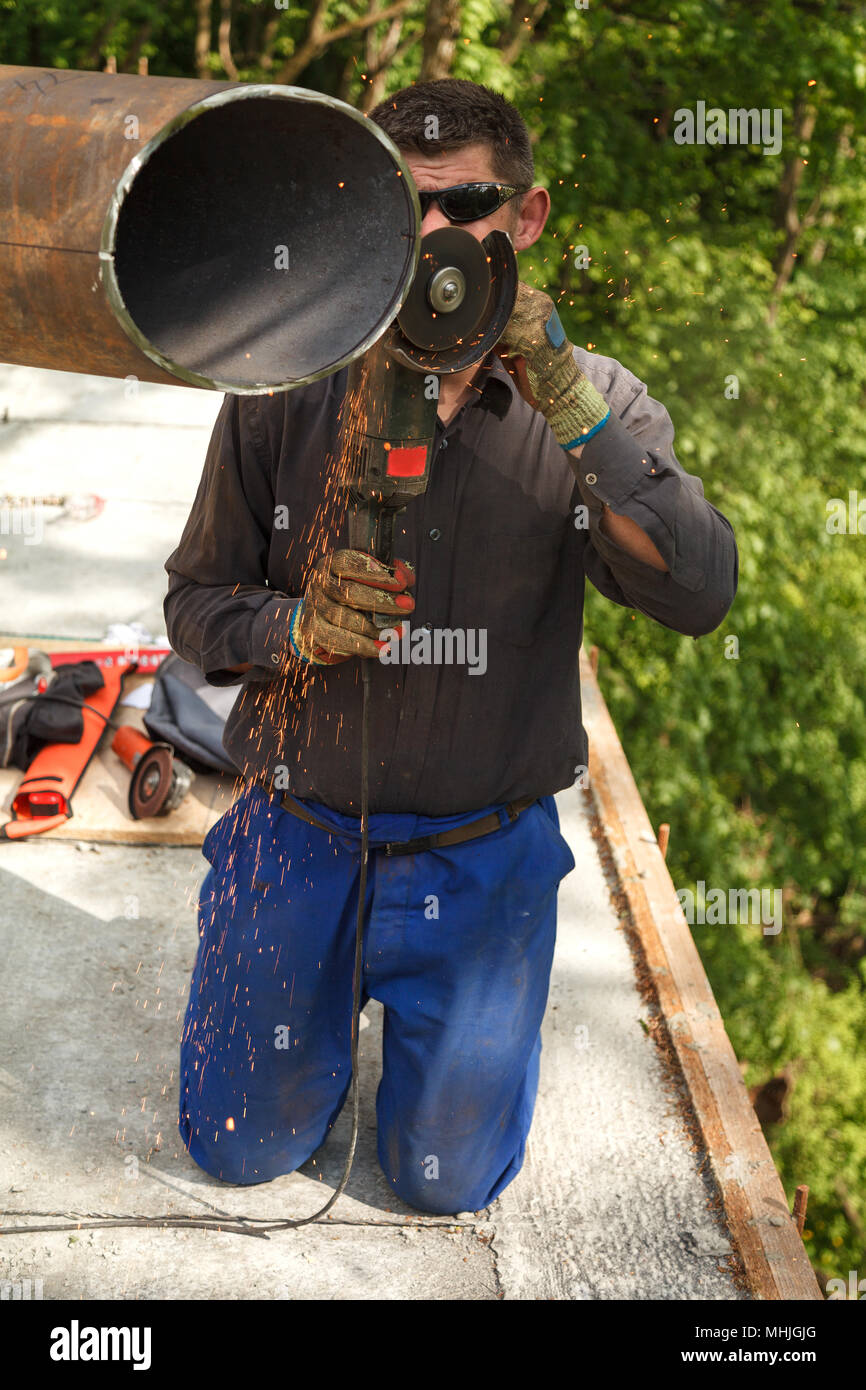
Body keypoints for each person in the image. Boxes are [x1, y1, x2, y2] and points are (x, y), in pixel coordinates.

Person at [163, 78, 738, 1214]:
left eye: (461, 202)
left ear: (520, 222)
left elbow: (698, 591)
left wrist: (563, 394)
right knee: (235, 1147)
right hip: (299, 825)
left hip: (478, 858)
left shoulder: (589, 407)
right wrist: (294, 625)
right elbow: (194, 605)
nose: (430, 235)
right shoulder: (289, 377)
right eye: (397, 202)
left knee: (444, 1183)